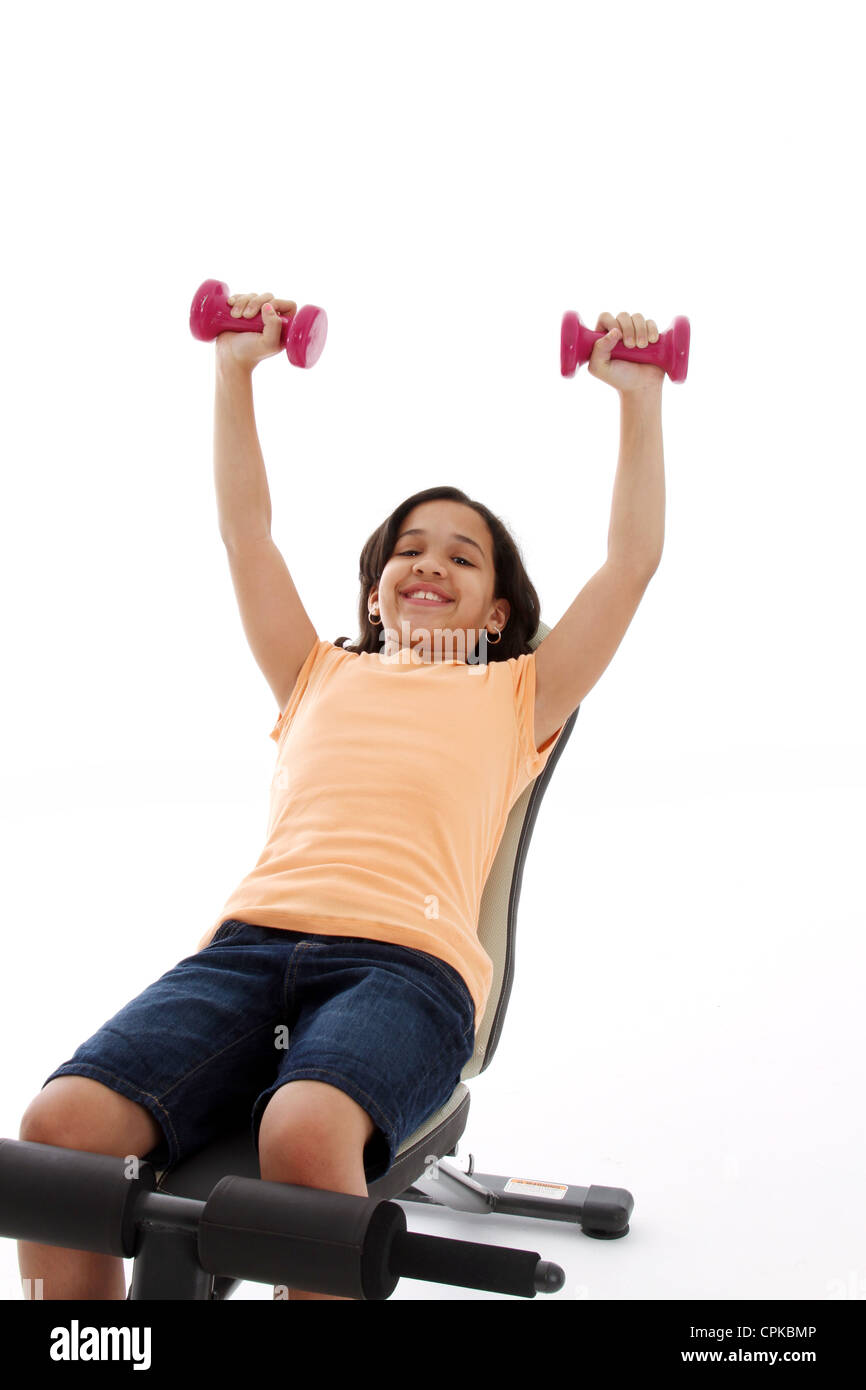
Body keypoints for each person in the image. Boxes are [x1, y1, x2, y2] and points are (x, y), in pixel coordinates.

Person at [18, 292, 666, 1301]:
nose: (427, 564)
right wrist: (234, 370)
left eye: (460, 556)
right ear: (372, 591)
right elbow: (247, 535)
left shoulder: (516, 692)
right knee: (61, 1132)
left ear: (495, 612)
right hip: (243, 953)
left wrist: (636, 397)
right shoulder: (313, 671)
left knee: (301, 1131)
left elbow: (629, 564)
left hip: (404, 972)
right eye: (408, 548)